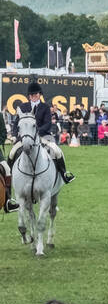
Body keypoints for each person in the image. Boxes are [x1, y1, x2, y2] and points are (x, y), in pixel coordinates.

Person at [5, 81, 75, 212]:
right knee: (12, 153)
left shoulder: (45, 107)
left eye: (35, 94)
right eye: (31, 94)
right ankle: (9, 188)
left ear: (39, 94)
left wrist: (36, 133)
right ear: (29, 96)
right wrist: (15, 135)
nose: (33, 96)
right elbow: (16, 124)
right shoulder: (23, 107)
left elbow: (48, 124)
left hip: (43, 136)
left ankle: (64, 174)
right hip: (25, 138)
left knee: (56, 151)